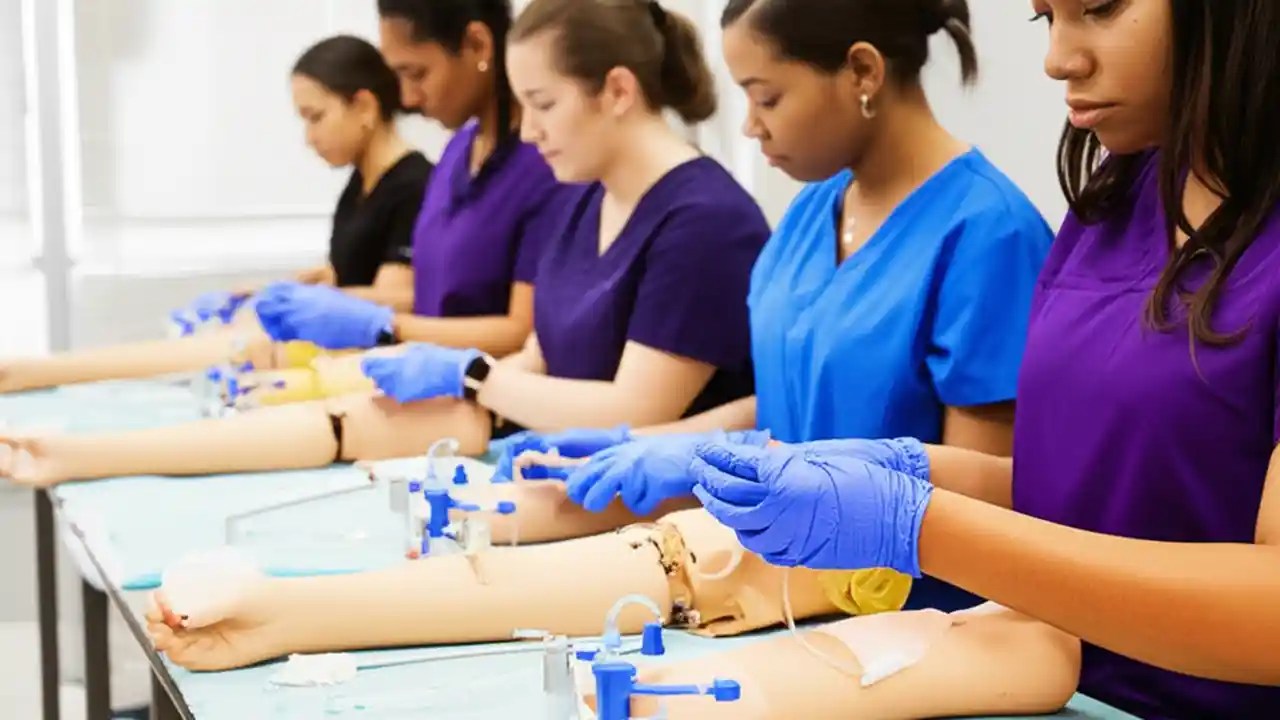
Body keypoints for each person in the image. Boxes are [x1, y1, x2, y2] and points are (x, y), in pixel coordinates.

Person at [690, 0, 1280, 717]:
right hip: (1037, 679)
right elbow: (1091, 494)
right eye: (1045, 18)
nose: (1058, 59)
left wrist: (921, 523)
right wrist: (908, 472)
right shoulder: (1120, 199)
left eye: (1099, 8)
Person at [0, 0, 768, 487]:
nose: (529, 131)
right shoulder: (578, 198)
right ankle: (60, 446)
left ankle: (62, 447)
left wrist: (470, 374)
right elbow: (541, 349)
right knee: (332, 425)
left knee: (339, 444)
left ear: (619, 91)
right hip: (530, 437)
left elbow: (635, 408)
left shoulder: (703, 221)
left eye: (543, 104)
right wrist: (473, 378)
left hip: (633, 485)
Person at [504, 0, 1053, 613]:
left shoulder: (988, 235)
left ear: (863, 74)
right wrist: (659, 445)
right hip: (786, 583)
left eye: (767, 99)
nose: (750, 127)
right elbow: (796, 394)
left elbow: (983, 498)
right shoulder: (811, 214)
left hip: (914, 618)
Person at [0, 34, 432, 395]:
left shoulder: (412, 185)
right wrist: (298, 284)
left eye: (315, 117)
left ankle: (23, 373)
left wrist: (290, 303)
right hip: (318, 344)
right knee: (181, 349)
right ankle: (25, 372)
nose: (308, 137)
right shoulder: (361, 184)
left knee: (196, 354)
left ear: (364, 107)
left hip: (350, 362)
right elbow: (357, 267)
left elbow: (393, 303)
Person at [251, 0, 567, 359]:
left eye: (417, 73)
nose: (407, 97)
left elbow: (523, 331)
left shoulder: (545, 163)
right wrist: (341, 298)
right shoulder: (456, 153)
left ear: (477, 45)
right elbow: (435, 294)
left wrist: (387, 326)